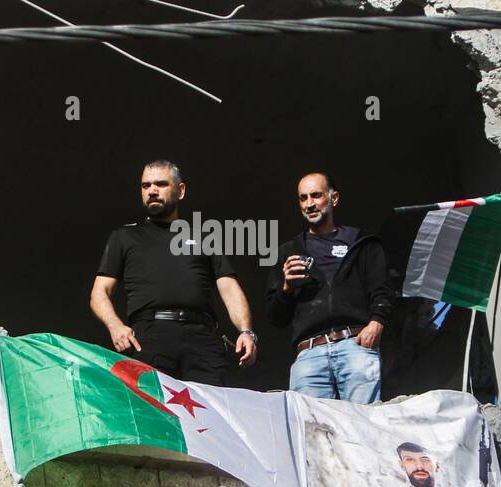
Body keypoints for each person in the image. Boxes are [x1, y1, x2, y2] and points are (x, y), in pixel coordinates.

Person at [90, 159, 257, 384]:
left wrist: (246, 331)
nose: (152, 191)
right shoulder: (124, 237)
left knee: (209, 414)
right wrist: (116, 326)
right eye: (145, 185)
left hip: (202, 339)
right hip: (149, 338)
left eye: (160, 184)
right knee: (152, 414)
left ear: (180, 190)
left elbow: (229, 288)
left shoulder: (204, 236)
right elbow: (99, 292)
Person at [265, 172, 392, 402]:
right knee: (313, 432)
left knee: (362, 427)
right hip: (309, 355)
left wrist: (376, 323)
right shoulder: (288, 251)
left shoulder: (361, 242)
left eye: (316, 195)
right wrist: (285, 288)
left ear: (334, 198)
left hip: (355, 346)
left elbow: (382, 289)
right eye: (303, 198)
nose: (309, 204)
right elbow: (276, 318)